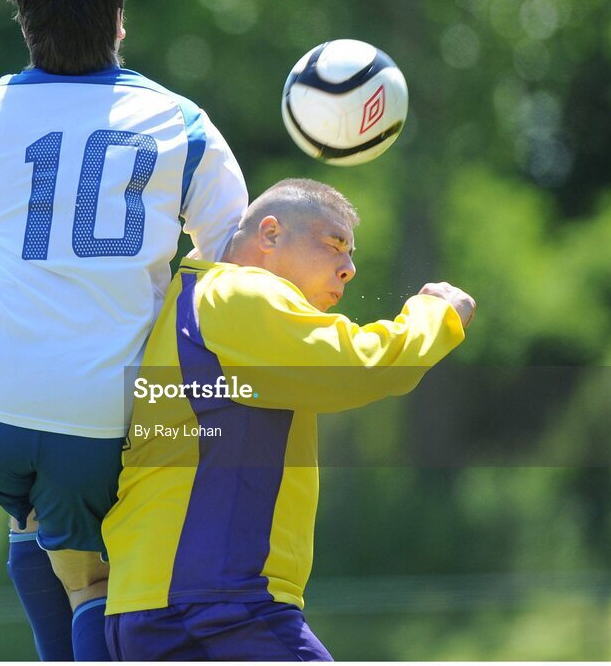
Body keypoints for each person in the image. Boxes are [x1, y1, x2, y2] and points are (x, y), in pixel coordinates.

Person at [0, 0, 247, 661]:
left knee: (34, 521)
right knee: (91, 578)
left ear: (25, 24)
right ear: (120, 24)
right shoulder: (182, 122)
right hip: (102, 417)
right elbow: (233, 263)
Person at [101, 178, 475, 661]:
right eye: (334, 244)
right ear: (270, 233)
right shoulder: (237, 291)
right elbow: (360, 366)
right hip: (216, 605)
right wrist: (437, 315)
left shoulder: (194, 299)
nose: (349, 268)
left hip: (158, 604)